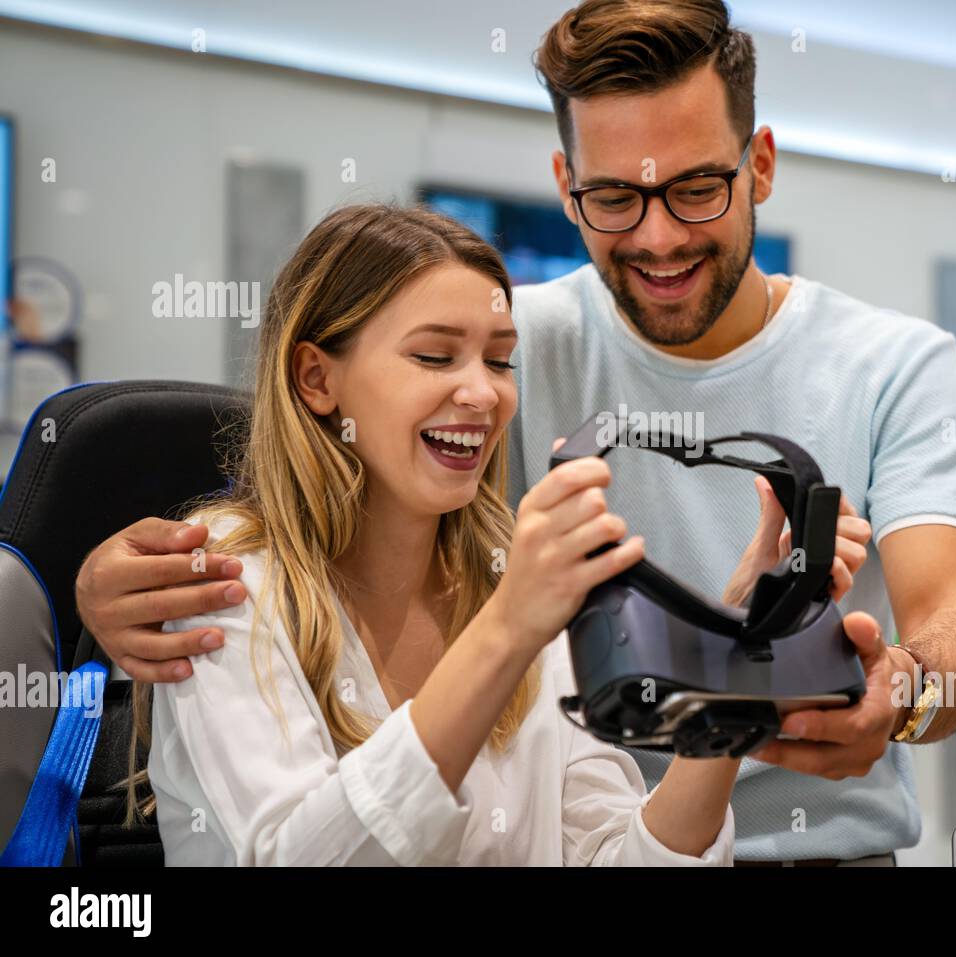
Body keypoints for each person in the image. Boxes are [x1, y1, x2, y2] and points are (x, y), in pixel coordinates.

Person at [78, 0, 956, 866]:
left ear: (759, 165)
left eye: (695, 190)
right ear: (566, 186)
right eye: (614, 199)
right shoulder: (512, 336)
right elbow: (315, 475)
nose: (658, 237)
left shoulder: (895, 363)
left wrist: (888, 690)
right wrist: (93, 582)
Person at [132, 203, 747, 865]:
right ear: (316, 378)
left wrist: (736, 677)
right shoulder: (227, 579)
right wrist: (507, 630)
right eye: (435, 355)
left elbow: (607, 854)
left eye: (500, 360)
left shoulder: (510, 573)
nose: (484, 394)